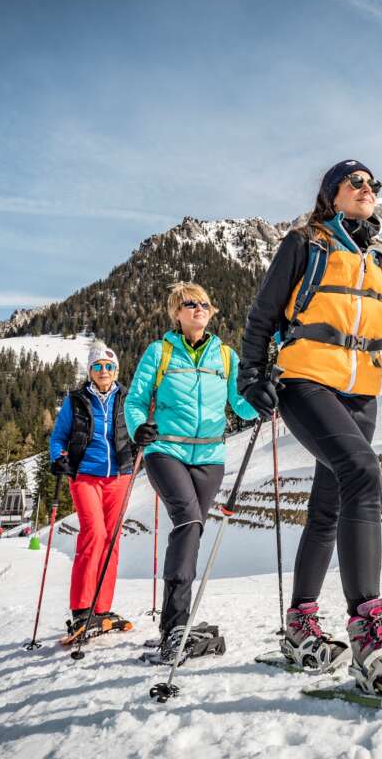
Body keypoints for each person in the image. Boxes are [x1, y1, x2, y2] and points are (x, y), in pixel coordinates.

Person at [238, 159, 382, 695]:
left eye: (374, 183)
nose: (369, 189)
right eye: (357, 182)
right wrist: (251, 375)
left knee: (329, 506)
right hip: (305, 383)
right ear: (332, 195)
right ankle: (369, 635)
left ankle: (300, 627)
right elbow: (263, 315)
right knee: (363, 472)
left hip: (361, 395)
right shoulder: (306, 243)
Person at [125, 282, 257, 665]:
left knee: (192, 531)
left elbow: (240, 405)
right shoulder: (160, 352)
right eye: (190, 303)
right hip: (165, 450)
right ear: (176, 312)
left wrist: (262, 399)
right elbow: (135, 400)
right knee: (188, 520)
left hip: (210, 456)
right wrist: (138, 428)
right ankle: (175, 626)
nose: (199, 308)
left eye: (204, 303)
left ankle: (172, 624)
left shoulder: (226, 357)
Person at [49, 342, 136, 637]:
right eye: (97, 366)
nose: (103, 371)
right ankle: (82, 609)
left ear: (116, 371)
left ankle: (101, 609)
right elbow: (58, 437)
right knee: (94, 534)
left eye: (109, 366)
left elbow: (139, 428)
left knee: (112, 541)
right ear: (90, 371)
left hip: (119, 476)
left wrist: (147, 434)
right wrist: (58, 457)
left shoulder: (127, 398)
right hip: (85, 475)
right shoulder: (76, 400)